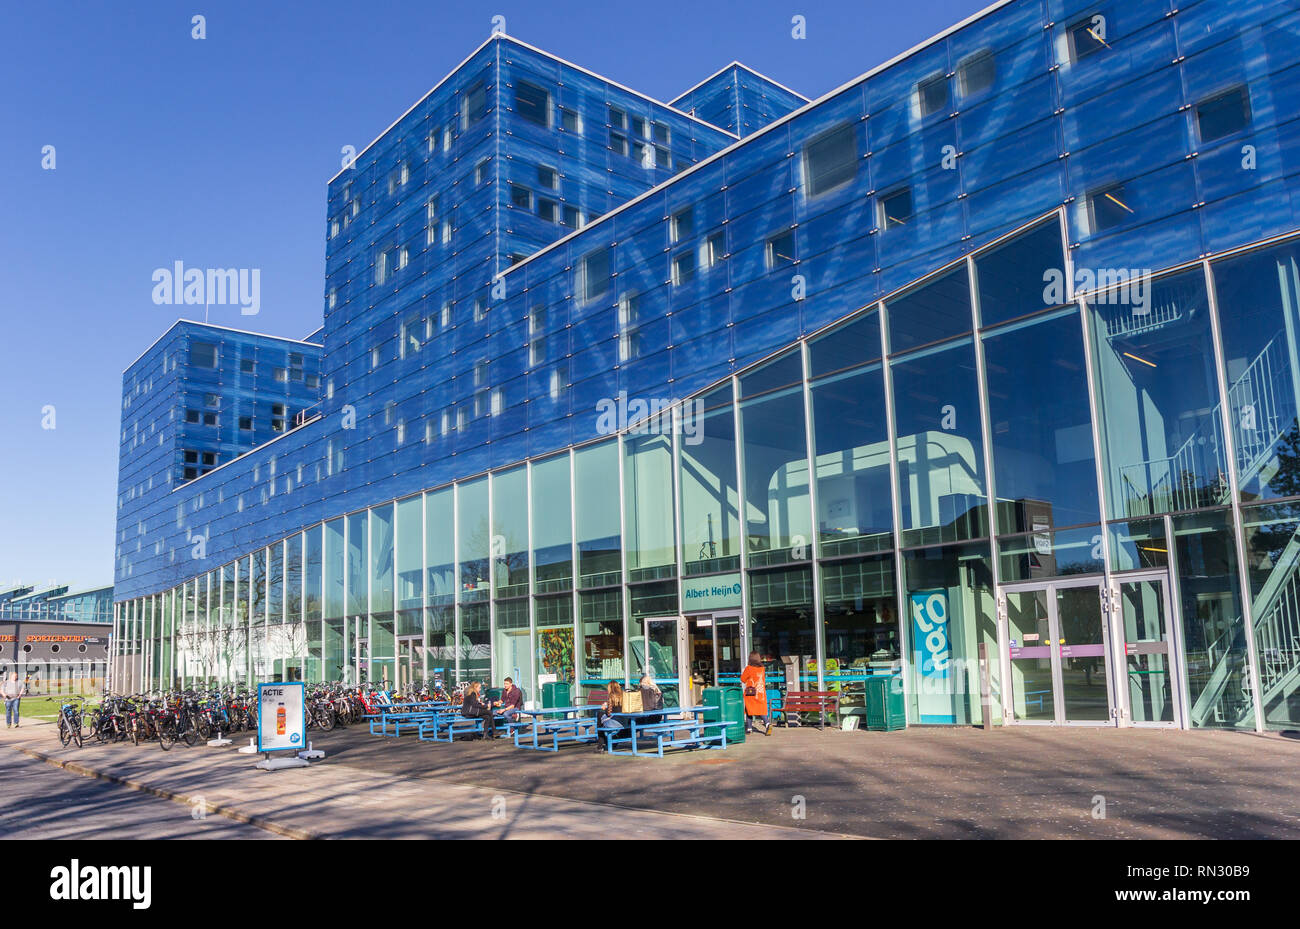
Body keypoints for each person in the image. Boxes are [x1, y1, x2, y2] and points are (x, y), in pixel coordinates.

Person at [740, 653, 772, 735]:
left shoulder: (749, 668)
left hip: (751, 693)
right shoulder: (762, 668)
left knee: (749, 709)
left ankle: (750, 728)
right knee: (760, 709)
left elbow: (743, 679)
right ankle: (765, 724)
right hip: (761, 692)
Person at [595, 681, 626, 753]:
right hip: (624, 722)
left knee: (600, 714)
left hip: (613, 723)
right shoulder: (624, 695)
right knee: (601, 717)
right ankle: (607, 742)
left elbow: (608, 713)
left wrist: (604, 708)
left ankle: (600, 744)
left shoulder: (611, 696)